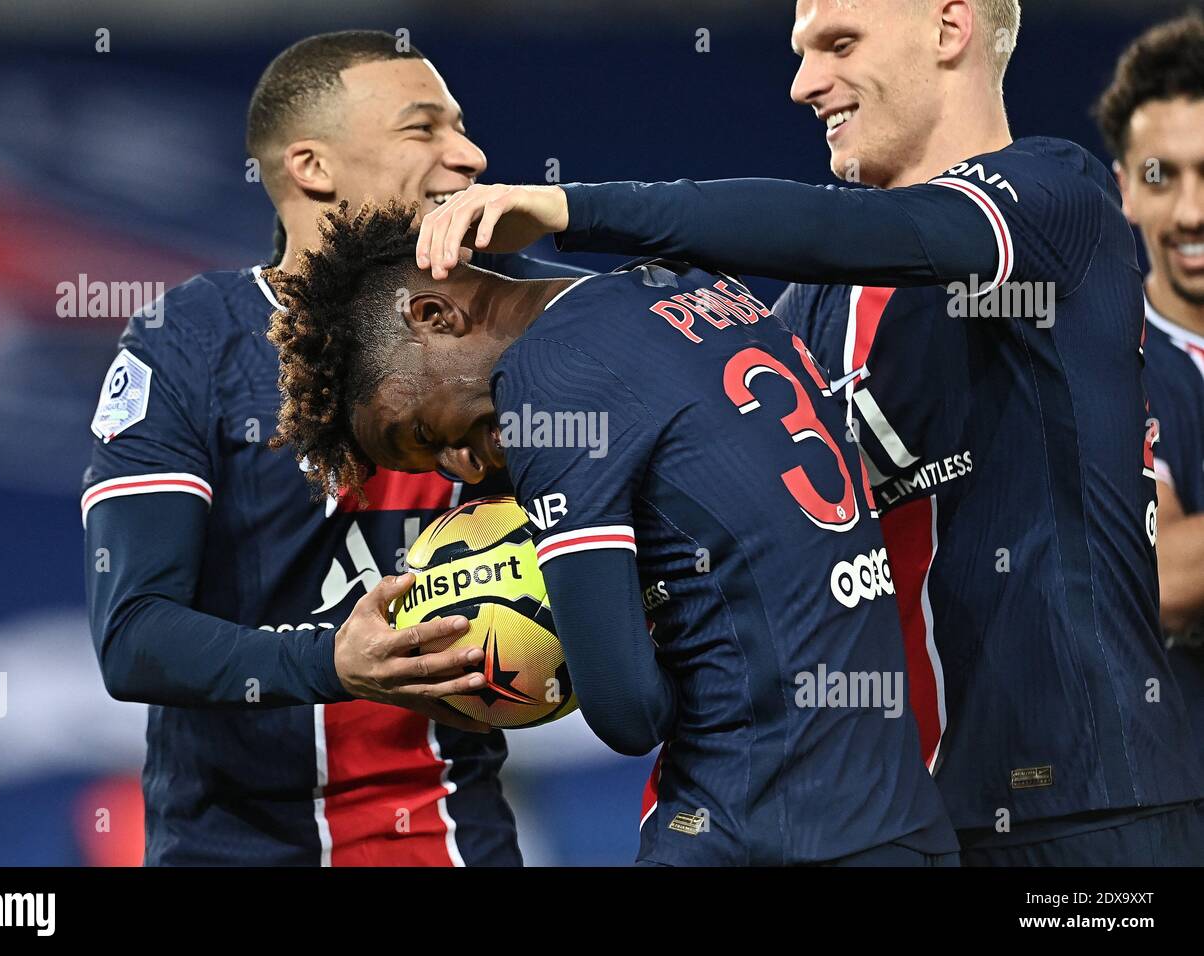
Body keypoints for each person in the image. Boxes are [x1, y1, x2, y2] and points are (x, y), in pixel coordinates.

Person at [411, 0, 1204, 864]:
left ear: (950, 28)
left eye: (838, 44)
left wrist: (574, 205)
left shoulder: (1059, 196)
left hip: (1087, 811)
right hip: (902, 823)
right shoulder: (806, 318)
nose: (802, 84)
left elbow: (878, 231)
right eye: (799, 53)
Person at [266, 199, 959, 866]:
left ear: (433, 315)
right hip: (901, 819)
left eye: (423, 432)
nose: (469, 464)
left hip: (753, 823)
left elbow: (628, 713)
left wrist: (541, 649)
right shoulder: (697, 286)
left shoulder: (549, 378)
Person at [82, 30, 583, 866]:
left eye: (461, 126)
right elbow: (133, 635)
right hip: (231, 846)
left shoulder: (525, 313)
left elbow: (689, 328)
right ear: (312, 167)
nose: (470, 154)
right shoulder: (189, 340)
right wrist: (333, 663)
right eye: (424, 129)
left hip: (455, 837)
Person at [1098, 12, 1204, 750]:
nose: (1191, 211)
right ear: (1125, 191)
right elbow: (1162, 578)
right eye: (1161, 177)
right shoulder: (1109, 355)